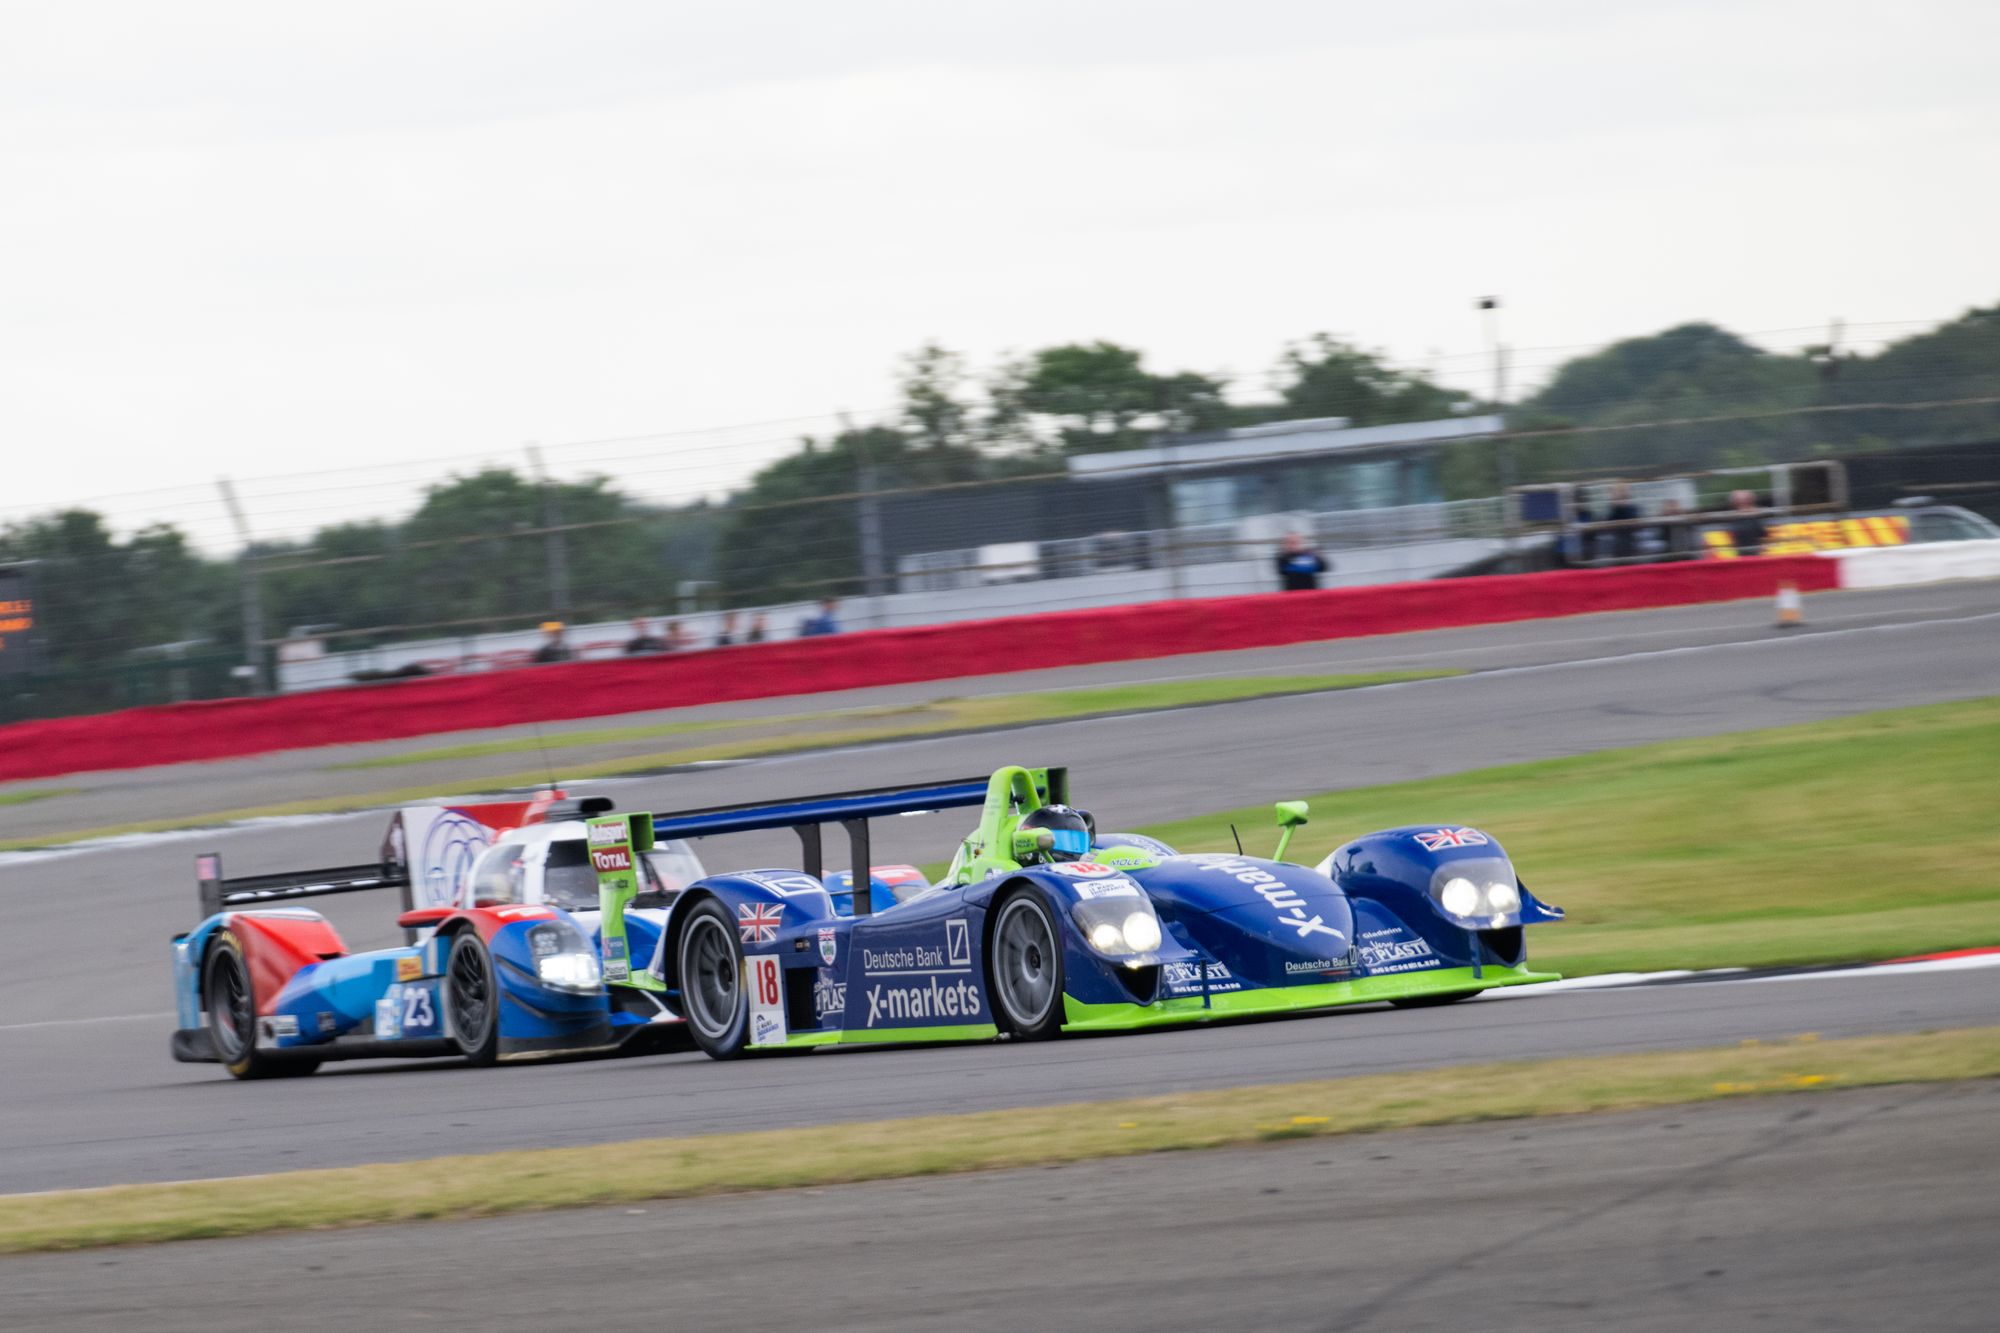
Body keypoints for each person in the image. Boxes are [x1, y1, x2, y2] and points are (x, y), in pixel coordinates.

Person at [1603, 483, 1641, 561]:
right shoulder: (1611, 508)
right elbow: (1608, 521)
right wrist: (1616, 506)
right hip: (1616, 542)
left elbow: (1634, 520)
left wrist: (1622, 506)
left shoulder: (1633, 508)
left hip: (1630, 541)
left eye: (1623, 494)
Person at [1728, 489, 1768, 555]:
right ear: (1734, 502)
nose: (1743, 501)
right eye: (1739, 499)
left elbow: (1763, 532)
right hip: (1739, 549)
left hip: (1758, 549)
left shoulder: (1759, 513)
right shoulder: (1730, 515)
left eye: (1746, 499)